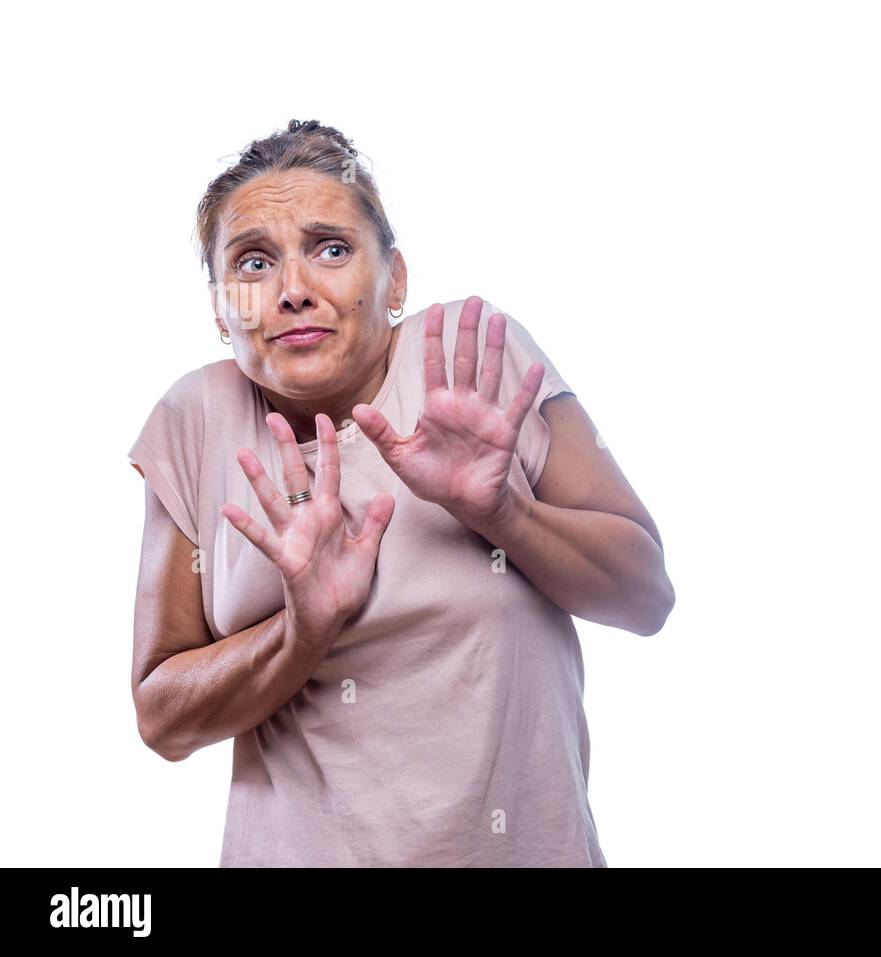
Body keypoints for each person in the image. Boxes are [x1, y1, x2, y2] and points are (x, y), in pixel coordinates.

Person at [127, 119, 674, 867]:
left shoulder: (470, 356)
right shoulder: (195, 418)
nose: (292, 291)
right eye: (253, 262)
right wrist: (301, 631)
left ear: (396, 281)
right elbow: (162, 717)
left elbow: (647, 597)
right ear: (222, 309)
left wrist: (501, 513)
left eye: (331, 249)